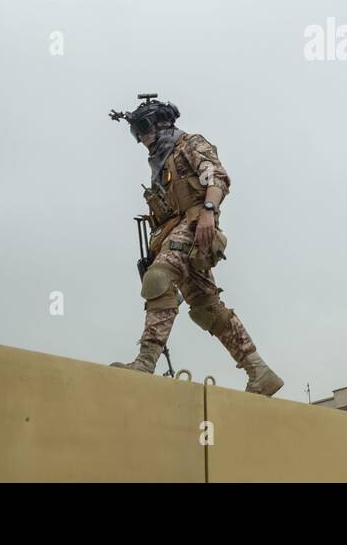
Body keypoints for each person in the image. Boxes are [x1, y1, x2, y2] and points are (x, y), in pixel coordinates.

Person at [109, 95, 283, 396]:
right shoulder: (160, 164)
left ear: (157, 123)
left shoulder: (188, 144)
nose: (141, 139)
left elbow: (217, 176)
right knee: (205, 308)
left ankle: (145, 363)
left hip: (194, 226)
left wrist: (209, 213)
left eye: (142, 129)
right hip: (178, 233)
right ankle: (260, 372)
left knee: (159, 278)